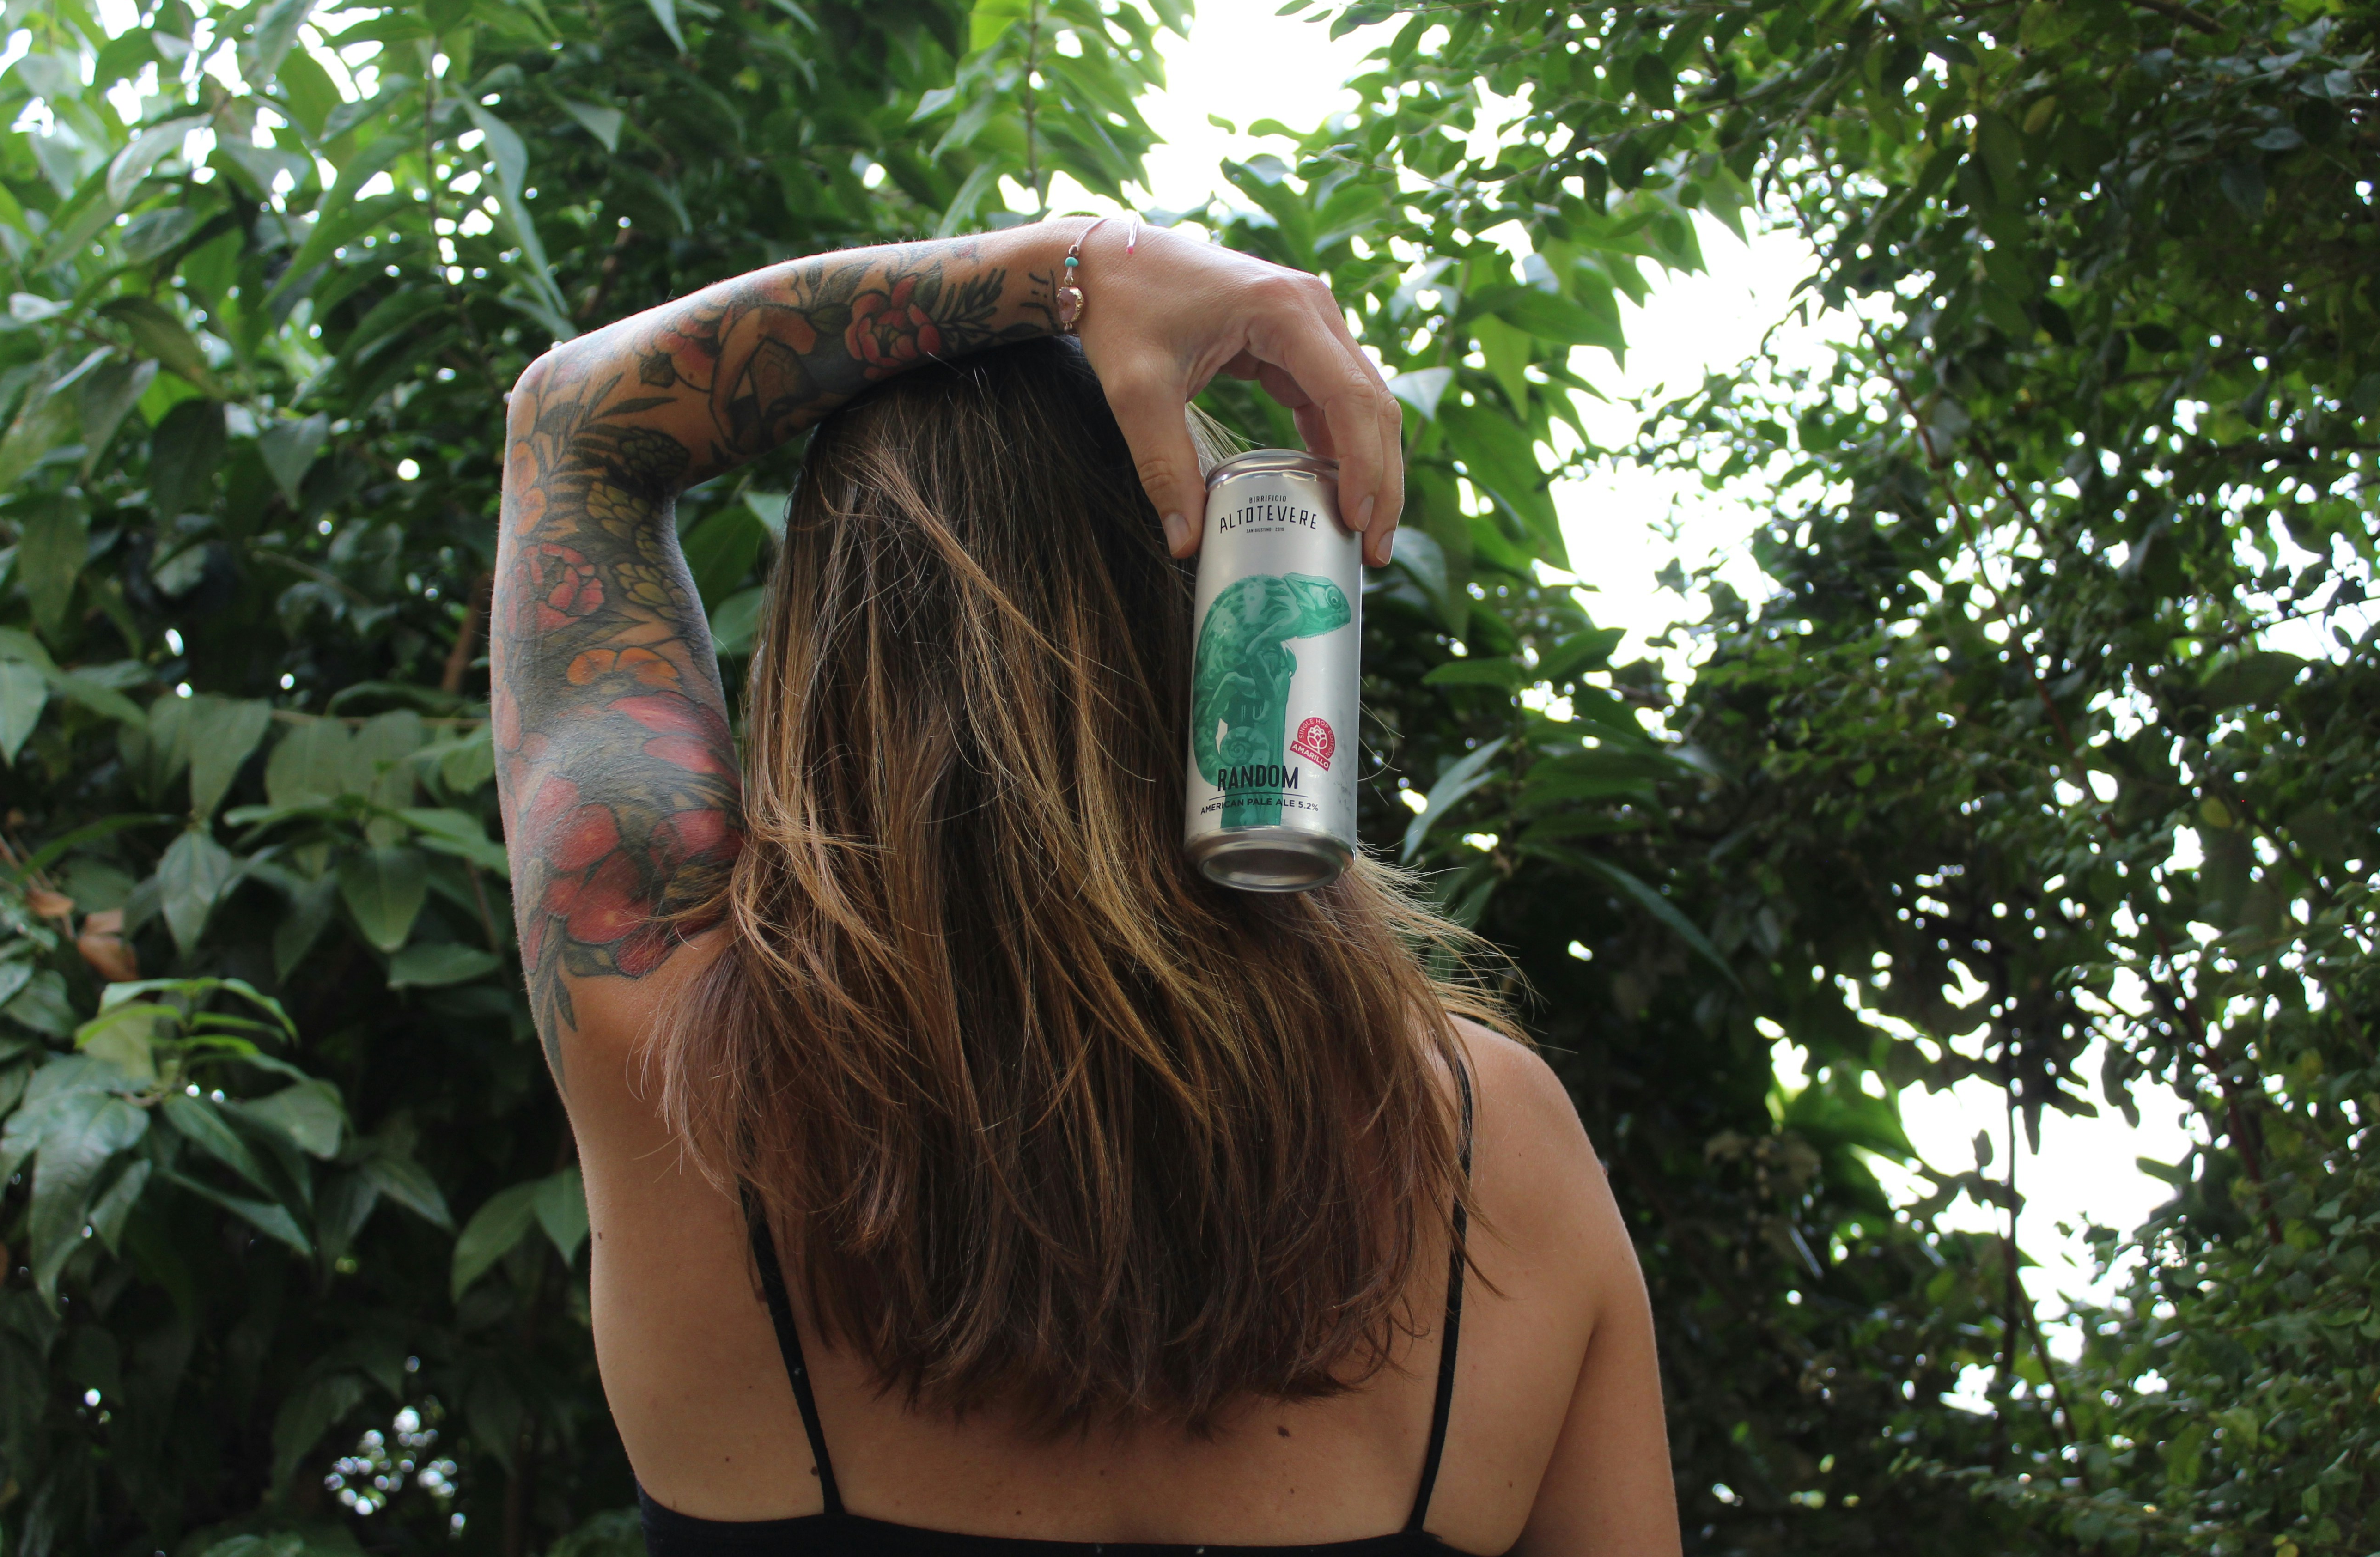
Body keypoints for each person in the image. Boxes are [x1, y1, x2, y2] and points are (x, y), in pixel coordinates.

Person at [491, 219, 1678, 1556]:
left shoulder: (678, 1068)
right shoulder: (1491, 1147)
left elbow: (574, 425)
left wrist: (1073, 267)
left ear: (826, 662)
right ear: (1206, 615)